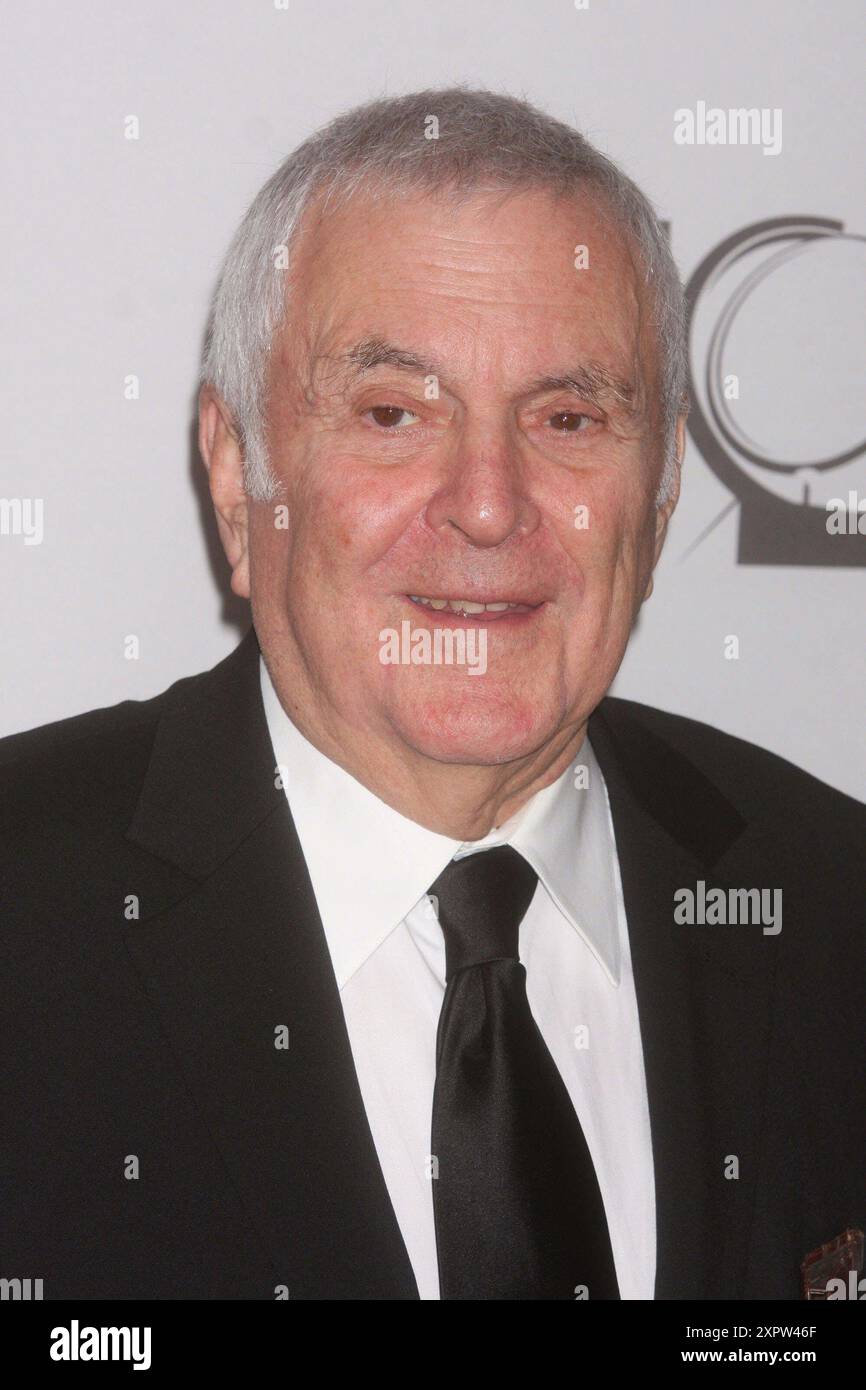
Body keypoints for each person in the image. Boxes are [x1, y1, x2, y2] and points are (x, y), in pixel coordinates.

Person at [1, 87, 863, 1301]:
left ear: (661, 489)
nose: (489, 502)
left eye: (567, 417)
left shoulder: (831, 901)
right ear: (239, 472)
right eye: (393, 413)